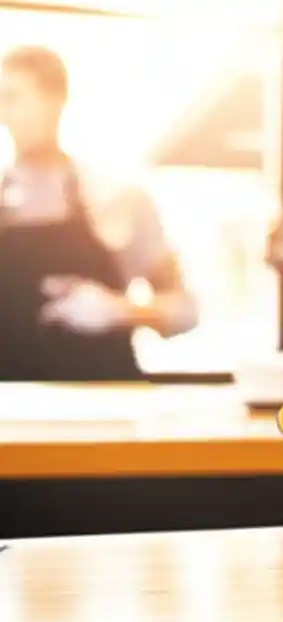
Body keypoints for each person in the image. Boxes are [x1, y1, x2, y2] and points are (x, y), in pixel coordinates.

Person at [0, 46, 196, 380]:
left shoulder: (116, 198)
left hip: (105, 410)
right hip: (13, 417)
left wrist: (118, 311)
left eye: (13, 98)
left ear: (56, 99)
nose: (5, 113)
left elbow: (186, 311)